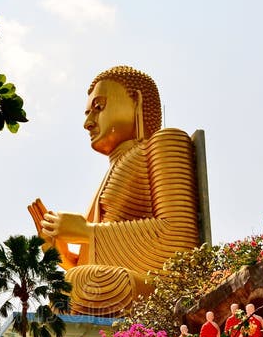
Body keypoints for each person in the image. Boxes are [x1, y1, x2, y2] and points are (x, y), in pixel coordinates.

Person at [29, 66, 201, 315]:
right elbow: (89, 260)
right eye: (88, 113)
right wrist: (57, 249)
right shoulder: (108, 176)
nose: (88, 123)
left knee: (83, 283)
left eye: (99, 108)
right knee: (72, 284)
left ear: (138, 102)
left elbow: (179, 236)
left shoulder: (163, 143)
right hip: (108, 280)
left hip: (157, 287)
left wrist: (86, 231)